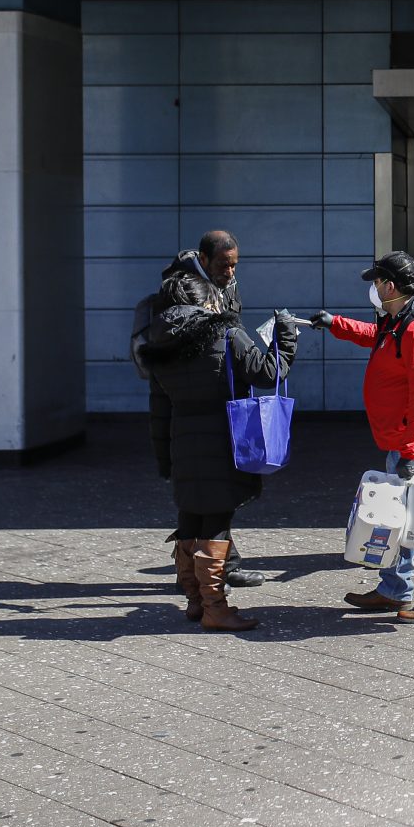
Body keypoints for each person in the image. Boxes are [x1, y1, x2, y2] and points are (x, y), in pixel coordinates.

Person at [312, 252, 414, 623]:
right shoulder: (400, 319)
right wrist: (335, 324)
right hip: (408, 437)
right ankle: (394, 589)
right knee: (398, 516)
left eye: (377, 282)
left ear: (390, 286)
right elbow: (376, 338)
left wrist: (412, 450)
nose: (374, 288)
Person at [140, 273, 299, 633]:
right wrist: (286, 336)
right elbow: (269, 372)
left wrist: (164, 459)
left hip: (183, 438)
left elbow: (159, 408)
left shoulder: (159, 342)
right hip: (223, 439)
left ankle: (195, 601)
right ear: (207, 302)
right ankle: (215, 608)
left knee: (190, 518)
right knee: (215, 522)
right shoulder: (225, 333)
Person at [152, 230, 266, 588]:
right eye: (223, 265)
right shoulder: (181, 287)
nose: (230, 272)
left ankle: (199, 579)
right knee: (211, 495)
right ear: (203, 259)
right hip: (190, 398)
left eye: (234, 265)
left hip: (212, 398)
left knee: (205, 493)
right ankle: (211, 586)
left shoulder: (224, 284)